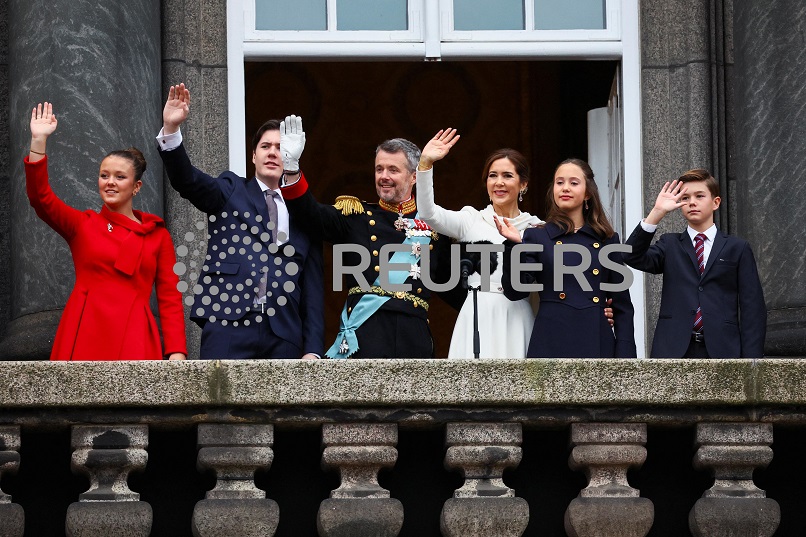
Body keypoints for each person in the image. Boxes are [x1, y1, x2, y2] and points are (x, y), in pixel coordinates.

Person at [158, 83, 324, 359]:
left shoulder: (306, 212)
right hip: (227, 326)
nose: (273, 152)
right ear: (253, 156)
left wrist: (313, 349)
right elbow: (187, 181)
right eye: (265, 146)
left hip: (284, 333)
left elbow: (313, 289)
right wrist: (172, 131)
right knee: (217, 403)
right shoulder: (230, 190)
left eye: (281, 148)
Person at [25, 102, 187, 361]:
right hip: (84, 331)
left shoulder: (157, 235)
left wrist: (176, 351)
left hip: (136, 335)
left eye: (120, 177)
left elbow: (170, 297)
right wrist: (38, 141)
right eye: (104, 175)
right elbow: (41, 199)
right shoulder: (83, 225)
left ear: (136, 187)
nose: (110, 182)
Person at [281, 135, 458, 358]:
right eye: (379, 169)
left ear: (414, 177)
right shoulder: (355, 217)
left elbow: (456, 288)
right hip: (364, 340)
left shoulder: (435, 229)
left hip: (414, 342)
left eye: (393, 170)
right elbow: (310, 214)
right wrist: (291, 170)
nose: (384, 176)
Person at [415, 129, 542, 358]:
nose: (499, 183)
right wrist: (425, 165)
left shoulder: (537, 228)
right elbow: (428, 214)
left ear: (523, 184)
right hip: (475, 313)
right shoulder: (471, 219)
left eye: (507, 176)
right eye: (492, 176)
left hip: (517, 316)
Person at [496, 158, 636, 358]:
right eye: (559, 182)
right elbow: (515, 291)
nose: (565, 188)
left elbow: (622, 306)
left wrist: (626, 357)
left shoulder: (607, 239)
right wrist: (513, 246)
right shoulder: (536, 235)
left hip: (597, 340)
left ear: (588, 193)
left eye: (574, 183)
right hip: (551, 339)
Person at [622, 169, 766, 358]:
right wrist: (657, 213)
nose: (692, 202)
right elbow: (630, 256)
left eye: (699, 196)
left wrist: (752, 362)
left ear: (716, 202)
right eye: (685, 197)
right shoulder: (669, 244)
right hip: (673, 348)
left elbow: (752, 307)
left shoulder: (737, 248)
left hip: (723, 348)